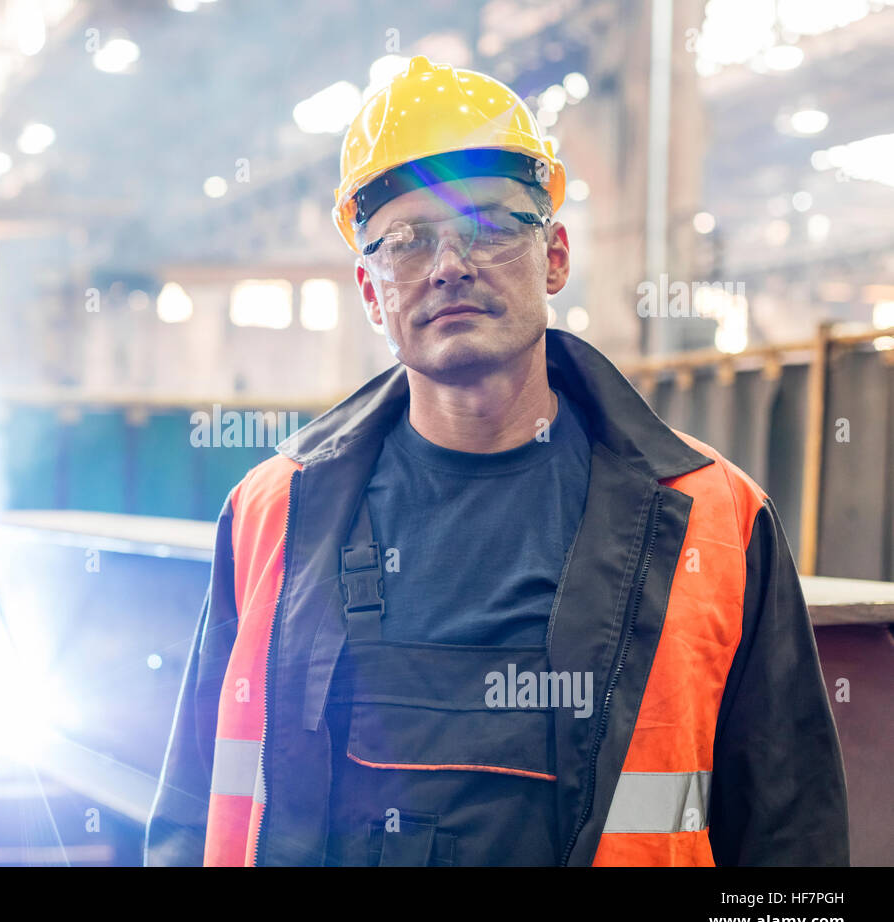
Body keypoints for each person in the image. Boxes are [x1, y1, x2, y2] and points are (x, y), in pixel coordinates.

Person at [145, 55, 848, 866]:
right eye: (406, 243)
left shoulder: (717, 522)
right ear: (373, 294)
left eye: (487, 226)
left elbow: (795, 849)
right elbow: (194, 806)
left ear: (553, 256)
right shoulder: (273, 515)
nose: (449, 265)